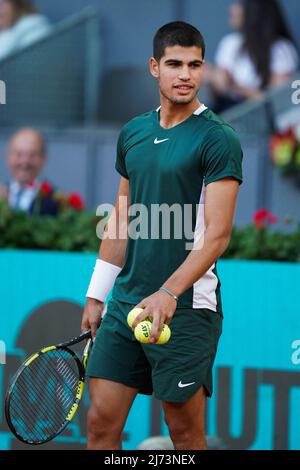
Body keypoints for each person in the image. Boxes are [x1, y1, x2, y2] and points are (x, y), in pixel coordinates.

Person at [82, 21, 243, 450]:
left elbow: (217, 236)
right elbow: (121, 217)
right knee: (100, 423)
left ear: (204, 69)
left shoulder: (218, 139)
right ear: (155, 67)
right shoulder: (133, 132)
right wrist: (98, 293)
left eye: (194, 65)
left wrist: (168, 294)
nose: (185, 74)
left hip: (187, 307)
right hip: (127, 301)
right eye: (174, 64)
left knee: (185, 435)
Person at [203, 0, 299, 112]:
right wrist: (211, 79)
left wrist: (234, 87)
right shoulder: (230, 43)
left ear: (254, 11)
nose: (232, 8)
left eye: (239, 4)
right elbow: (219, 88)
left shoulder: (281, 50)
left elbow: (278, 102)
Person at [0, 128, 59, 216]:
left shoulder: (56, 201)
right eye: (18, 154)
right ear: (7, 157)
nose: (24, 161)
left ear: (44, 159)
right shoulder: (2, 194)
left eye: (32, 155)